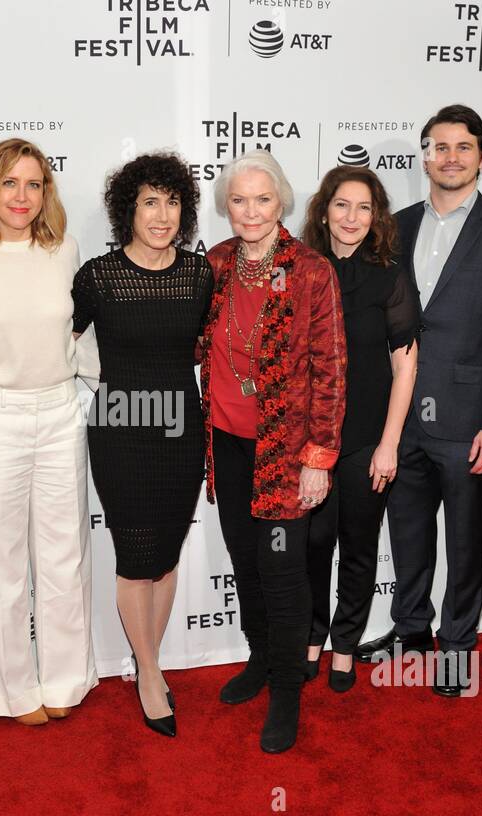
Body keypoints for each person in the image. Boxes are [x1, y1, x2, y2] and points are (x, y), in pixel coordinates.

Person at [355, 104, 482, 697]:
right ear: (425, 156)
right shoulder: (397, 226)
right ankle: (411, 633)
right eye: (439, 147)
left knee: (465, 541)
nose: (450, 157)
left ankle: (458, 648)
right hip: (401, 417)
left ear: (481, 158)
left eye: (463, 147)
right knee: (408, 534)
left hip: (468, 422)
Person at [0, 137, 97, 725]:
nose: (22, 196)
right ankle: (9, 689)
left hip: (60, 412)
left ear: (46, 192)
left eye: (34, 184)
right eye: (10, 183)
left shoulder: (67, 251)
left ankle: (65, 679)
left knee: (64, 555)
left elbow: (79, 337)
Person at [202, 149, 344, 752]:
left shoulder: (311, 269)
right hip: (229, 445)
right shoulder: (217, 264)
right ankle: (261, 660)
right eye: (239, 200)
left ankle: (287, 689)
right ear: (226, 208)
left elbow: (331, 369)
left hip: (285, 454)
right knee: (246, 563)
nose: (251, 210)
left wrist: (318, 458)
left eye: (263, 199)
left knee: (283, 573)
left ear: (281, 201)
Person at [71, 152, 213, 737]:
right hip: (120, 428)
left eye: (172, 201)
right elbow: (49, 342)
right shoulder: (98, 276)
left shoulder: (201, 274)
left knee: (166, 555)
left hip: (181, 427)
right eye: (149, 202)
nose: (162, 215)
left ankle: (144, 660)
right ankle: (151, 674)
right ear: (127, 210)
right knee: (135, 554)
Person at [302, 165, 420, 693]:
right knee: (312, 545)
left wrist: (389, 444)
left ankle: (345, 645)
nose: (352, 217)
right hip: (311, 439)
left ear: (376, 218)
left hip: (369, 438)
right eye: (342, 205)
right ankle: (311, 638)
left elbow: (406, 364)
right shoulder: (301, 270)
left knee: (358, 545)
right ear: (323, 210)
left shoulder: (389, 275)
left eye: (364, 207)